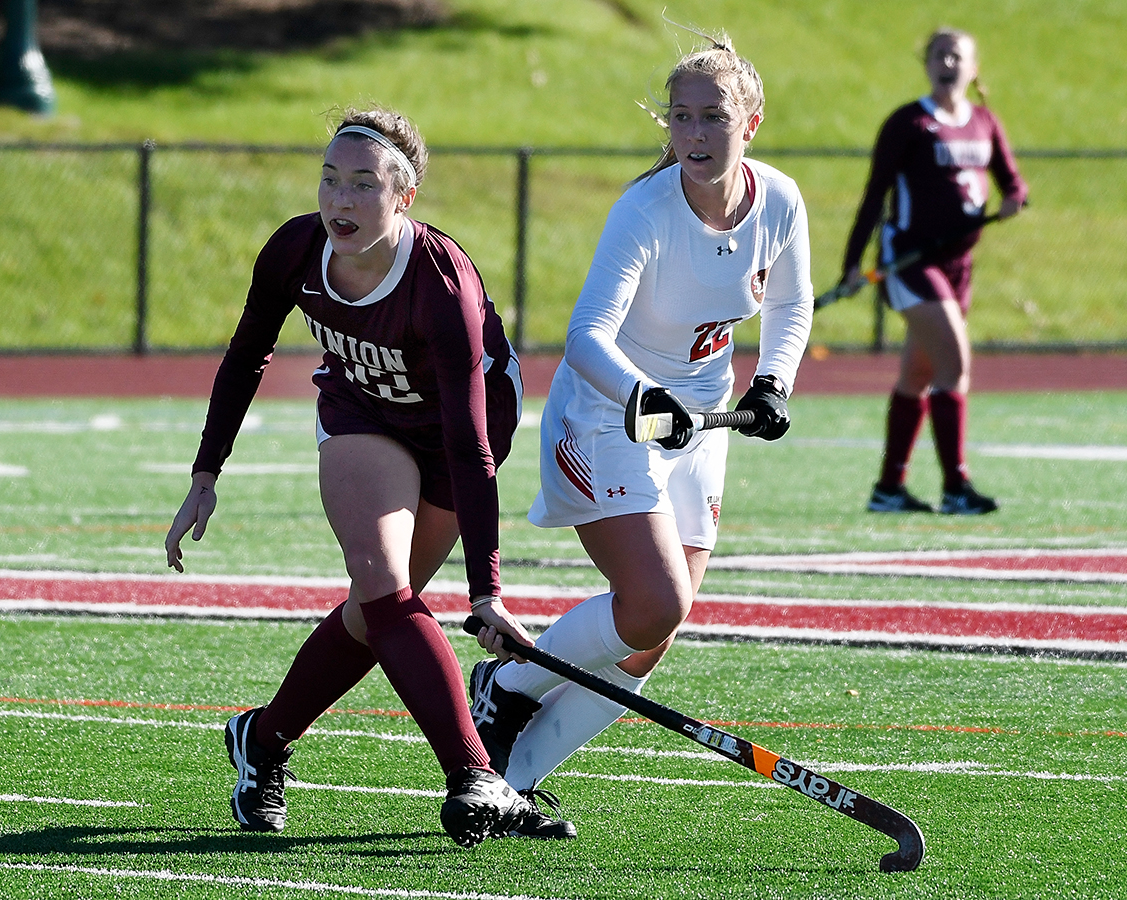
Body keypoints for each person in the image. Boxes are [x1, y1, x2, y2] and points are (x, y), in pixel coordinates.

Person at [164, 106, 567, 846]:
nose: (339, 201)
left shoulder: (441, 283)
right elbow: (246, 354)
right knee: (385, 585)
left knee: (379, 610)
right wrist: (205, 473)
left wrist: (487, 592)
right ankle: (477, 777)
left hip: (459, 433)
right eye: (328, 180)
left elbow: (471, 441)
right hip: (360, 414)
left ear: (402, 196)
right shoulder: (294, 250)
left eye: (361, 184)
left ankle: (264, 738)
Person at [468, 28, 812, 830]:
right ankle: (508, 686)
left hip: (701, 424)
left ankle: (510, 781)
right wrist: (645, 395)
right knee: (654, 600)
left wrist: (773, 381)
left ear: (750, 122)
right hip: (607, 413)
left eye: (713, 118)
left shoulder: (782, 201)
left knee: (653, 634)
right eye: (680, 118)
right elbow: (586, 336)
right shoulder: (645, 210)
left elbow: (791, 306)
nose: (693, 135)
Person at [843, 27, 1027, 515]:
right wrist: (851, 264)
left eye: (957, 56)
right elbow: (874, 194)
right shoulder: (908, 123)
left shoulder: (985, 122)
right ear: (927, 64)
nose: (947, 63)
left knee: (920, 373)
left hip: (958, 264)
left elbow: (1013, 183)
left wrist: (1013, 200)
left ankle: (888, 489)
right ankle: (956, 488)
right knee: (955, 366)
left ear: (973, 68)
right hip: (910, 260)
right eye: (939, 55)